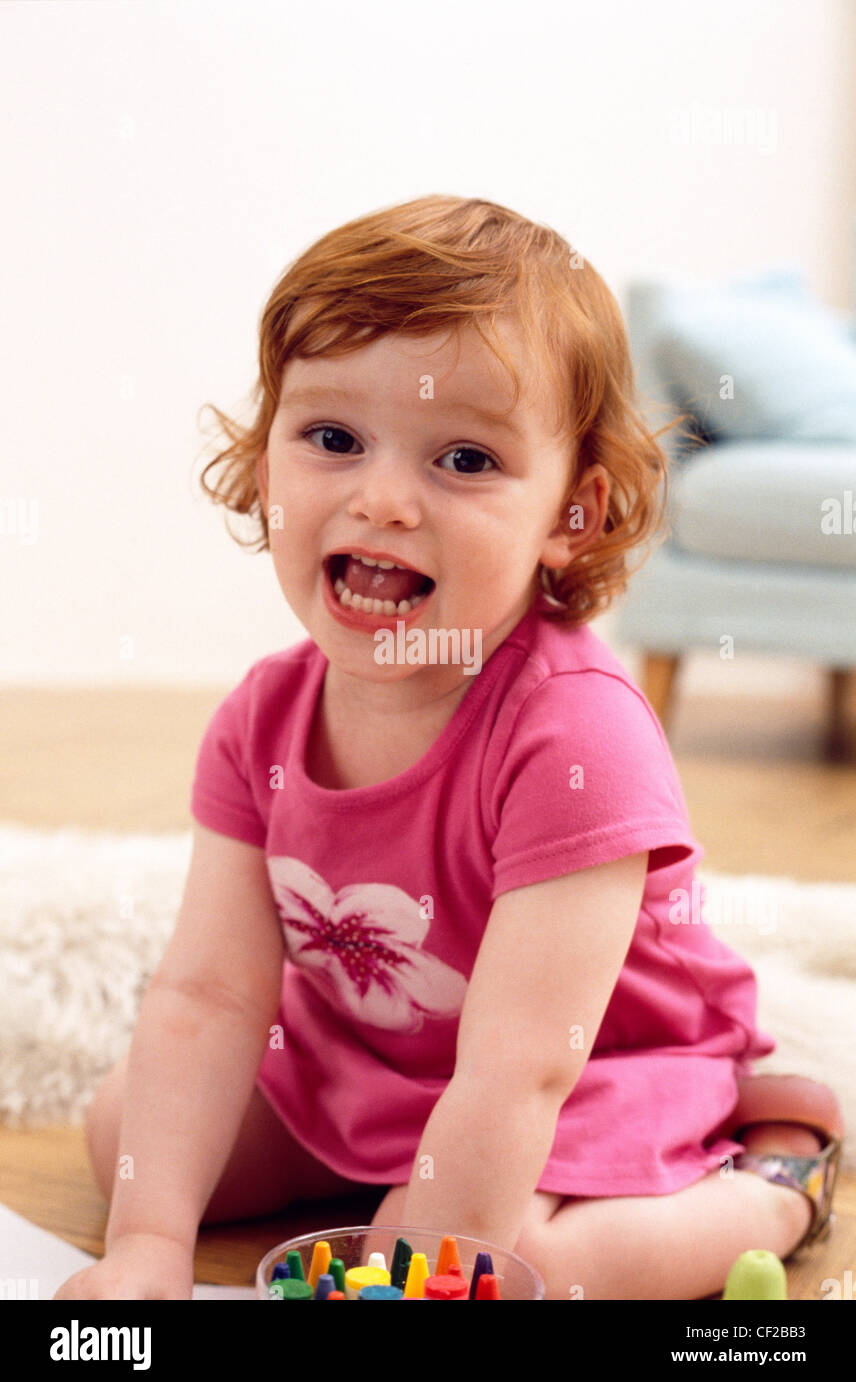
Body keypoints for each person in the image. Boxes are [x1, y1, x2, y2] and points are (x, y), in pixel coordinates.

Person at [55, 195, 843, 1301]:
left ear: (571, 514)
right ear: (267, 453)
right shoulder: (260, 718)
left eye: (463, 459)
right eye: (332, 439)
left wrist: (427, 1268)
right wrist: (147, 1247)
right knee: (122, 1130)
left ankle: (769, 1182)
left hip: (592, 1067)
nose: (382, 500)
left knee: (523, 1263)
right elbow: (208, 995)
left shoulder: (576, 734)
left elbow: (528, 1062)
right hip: (372, 1059)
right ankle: (374, 1178)